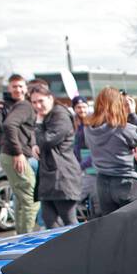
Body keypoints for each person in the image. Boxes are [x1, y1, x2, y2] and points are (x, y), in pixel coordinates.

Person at [29, 83, 85, 227]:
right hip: (49, 178)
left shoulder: (60, 114)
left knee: (69, 223)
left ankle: (80, 249)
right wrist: (35, 143)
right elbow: (38, 140)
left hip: (63, 176)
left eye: (41, 101)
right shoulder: (46, 116)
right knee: (50, 224)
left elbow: (47, 140)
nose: (38, 106)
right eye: (34, 102)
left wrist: (39, 123)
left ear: (50, 98)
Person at [0, 74, 38, 233]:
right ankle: (28, 242)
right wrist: (17, 153)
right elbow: (6, 127)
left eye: (20, 86)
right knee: (31, 199)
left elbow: (28, 132)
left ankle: (21, 237)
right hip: (15, 155)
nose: (18, 89)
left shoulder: (23, 105)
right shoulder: (12, 106)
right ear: (9, 88)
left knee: (20, 200)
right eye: (14, 86)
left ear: (26, 88)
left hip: (24, 154)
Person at [86, 87, 137, 215]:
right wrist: (133, 114)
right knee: (135, 225)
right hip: (127, 181)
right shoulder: (123, 129)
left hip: (102, 183)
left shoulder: (88, 129)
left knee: (111, 228)